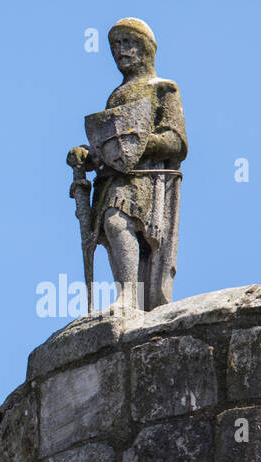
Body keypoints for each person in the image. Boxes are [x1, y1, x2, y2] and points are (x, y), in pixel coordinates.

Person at [67, 17, 186, 312]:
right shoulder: (115, 96)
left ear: (146, 49)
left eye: (129, 43)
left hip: (144, 177)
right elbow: (112, 144)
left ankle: (129, 297)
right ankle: (129, 296)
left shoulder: (163, 88)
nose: (122, 51)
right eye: (116, 45)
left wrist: (140, 146)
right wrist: (87, 156)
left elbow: (176, 141)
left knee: (116, 221)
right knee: (110, 230)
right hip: (111, 178)